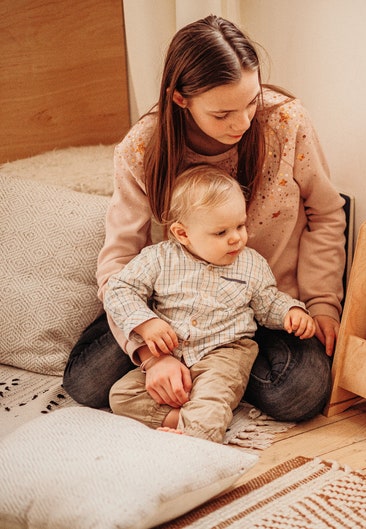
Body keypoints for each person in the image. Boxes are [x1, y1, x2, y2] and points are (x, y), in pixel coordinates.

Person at [63, 15, 346, 422]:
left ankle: (214, 375)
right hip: (172, 313)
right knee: (86, 383)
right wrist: (149, 354)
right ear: (180, 98)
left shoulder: (285, 121)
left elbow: (326, 210)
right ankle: (208, 383)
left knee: (302, 393)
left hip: (263, 307)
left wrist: (322, 305)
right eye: (222, 113)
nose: (243, 122)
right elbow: (118, 262)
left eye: (251, 102)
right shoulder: (142, 149)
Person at [106, 165, 316, 442]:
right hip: (175, 353)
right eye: (220, 233)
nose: (236, 238)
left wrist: (291, 311)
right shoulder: (158, 258)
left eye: (240, 226)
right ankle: (184, 420)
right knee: (120, 396)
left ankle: (196, 441)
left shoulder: (251, 264)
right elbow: (119, 289)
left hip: (225, 352)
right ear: (183, 234)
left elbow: (267, 302)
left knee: (212, 397)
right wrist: (147, 324)